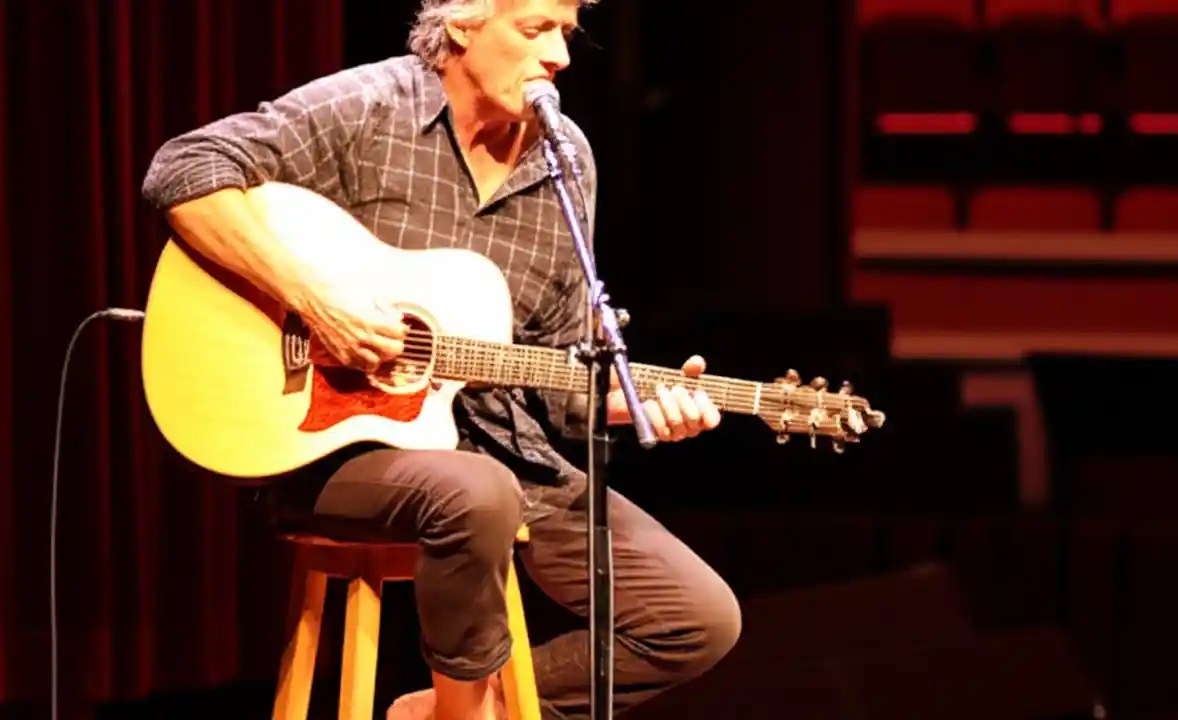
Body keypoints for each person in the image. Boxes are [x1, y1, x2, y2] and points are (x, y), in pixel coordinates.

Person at [140, 0, 741, 718]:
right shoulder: (371, 105)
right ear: (463, 23)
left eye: (566, 33)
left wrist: (623, 403)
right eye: (535, 29)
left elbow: (557, 368)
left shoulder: (565, 157)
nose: (559, 56)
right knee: (477, 493)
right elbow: (184, 168)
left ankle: (453, 711)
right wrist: (317, 301)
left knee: (696, 618)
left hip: (502, 455)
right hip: (330, 448)